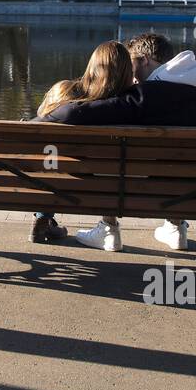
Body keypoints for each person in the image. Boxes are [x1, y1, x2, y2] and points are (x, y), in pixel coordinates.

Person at [43, 32, 196, 251]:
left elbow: (75, 114)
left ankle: (108, 226)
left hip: (139, 189)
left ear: (144, 60)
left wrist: (45, 115)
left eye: (131, 65)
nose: (131, 75)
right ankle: (176, 225)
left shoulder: (143, 97)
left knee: (111, 155)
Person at [29, 41, 134, 247]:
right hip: (113, 185)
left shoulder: (65, 93)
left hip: (61, 179)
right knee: (109, 166)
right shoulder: (129, 105)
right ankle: (108, 224)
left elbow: (37, 132)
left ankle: (43, 216)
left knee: (52, 157)